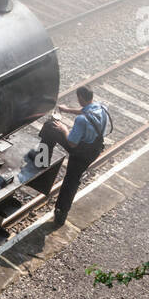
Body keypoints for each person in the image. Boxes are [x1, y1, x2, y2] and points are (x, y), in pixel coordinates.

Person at [37, 85, 112, 227]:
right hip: (94, 150)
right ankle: (61, 215)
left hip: (79, 153)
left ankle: (42, 161)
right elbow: (85, 110)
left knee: (51, 126)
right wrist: (67, 110)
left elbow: (71, 143)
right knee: (73, 179)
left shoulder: (81, 120)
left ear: (80, 98)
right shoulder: (101, 108)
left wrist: (64, 129)